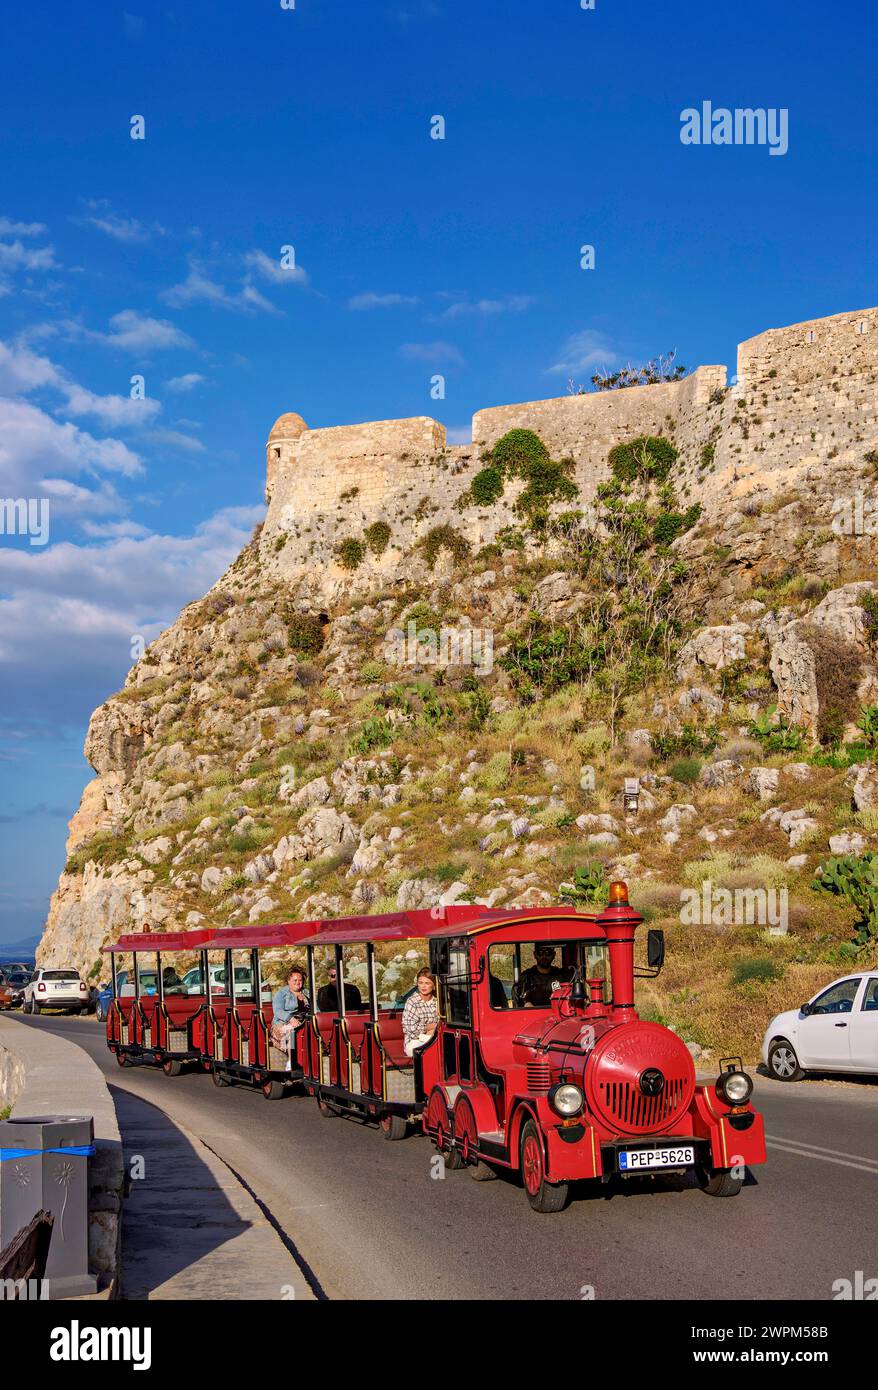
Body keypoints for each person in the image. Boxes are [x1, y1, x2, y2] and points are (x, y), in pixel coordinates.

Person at [271, 967, 310, 1070]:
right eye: (295, 980)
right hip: (283, 1023)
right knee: (292, 1035)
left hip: (304, 1021)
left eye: (300, 980)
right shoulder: (281, 994)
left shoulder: (307, 992)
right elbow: (278, 1011)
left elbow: (316, 1008)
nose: (298, 983)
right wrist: (291, 1018)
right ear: (289, 981)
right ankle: (291, 1062)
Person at [402, 967, 439, 1057]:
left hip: (435, 1039)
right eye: (420, 983)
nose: (423, 986)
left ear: (434, 986)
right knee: (424, 1050)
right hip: (415, 1042)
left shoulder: (437, 1002)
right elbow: (412, 1031)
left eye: (427, 983)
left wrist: (432, 1030)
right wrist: (428, 1027)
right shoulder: (412, 1002)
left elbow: (441, 1024)